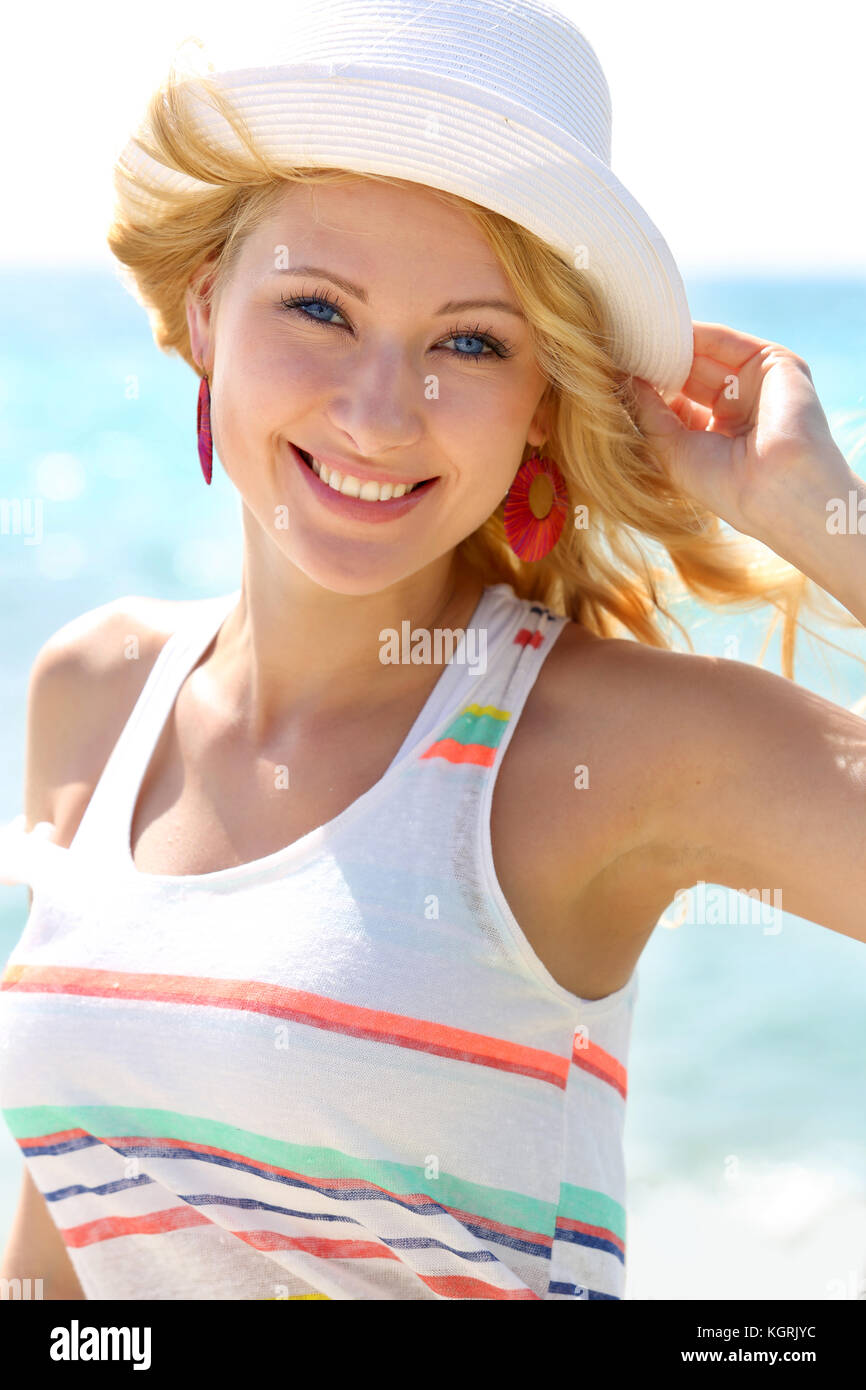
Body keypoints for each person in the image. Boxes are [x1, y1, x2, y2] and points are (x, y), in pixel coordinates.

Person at [1, 0, 865, 1302]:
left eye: (470, 340)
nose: (376, 411)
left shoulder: (605, 747)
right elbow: (57, 1263)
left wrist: (825, 522)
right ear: (203, 311)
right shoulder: (93, 692)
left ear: (539, 404)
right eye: (318, 308)